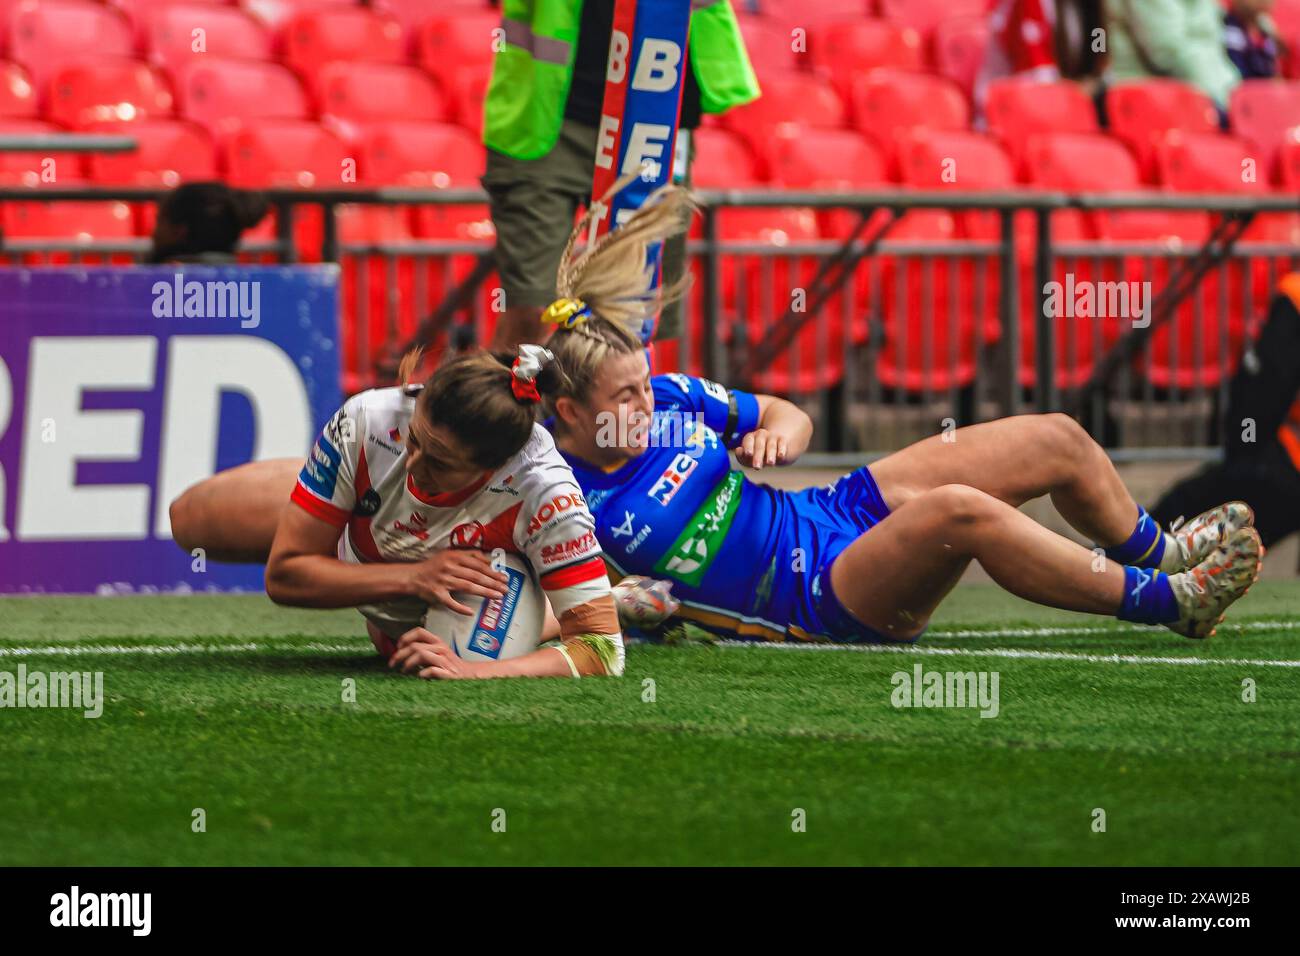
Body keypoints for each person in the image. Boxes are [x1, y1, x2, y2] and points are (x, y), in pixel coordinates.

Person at [536, 184, 1263, 644]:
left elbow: (788, 413)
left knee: (1056, 437)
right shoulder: (562, 493)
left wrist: (775, 437)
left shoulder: (671, 397)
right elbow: (556, 598)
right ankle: (1170, 603)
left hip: (829, 511)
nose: (646, 400)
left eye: (644, 383)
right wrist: (635, 609)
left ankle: (1165, 554)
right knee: (957, 512)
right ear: (569, 410)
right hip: (812, 599)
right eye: (624, 395)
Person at [172, 347, 625, 680]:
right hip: (356, 536)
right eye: (414, 439)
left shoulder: (546, 494)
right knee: (187, 520)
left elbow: (602, 651)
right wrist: (414, 576)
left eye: (439, 461)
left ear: (493, 469)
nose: (413, 466)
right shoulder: (367, 420)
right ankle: (327, 492)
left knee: (417, 644)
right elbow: (284, 577)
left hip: (436, 615)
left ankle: (584, 601)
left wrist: (476, 673)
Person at [482, 0, 759, 350]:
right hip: (546, 119)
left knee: (637, 316)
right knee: (536, 313)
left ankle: (617, 405)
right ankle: (504, 404)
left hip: (655, 114)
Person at [1152, 273, 1300, 547]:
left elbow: (1262, 394)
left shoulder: (1296, 297)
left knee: (1180, 516)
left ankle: (1110, 563)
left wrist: (1245, 452)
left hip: (1285, 467)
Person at [1103, 0, 1241, 116]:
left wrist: (1237, 99)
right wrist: (1227, 103)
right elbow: (1170, 52)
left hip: (1191, 95)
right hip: (1140, 100)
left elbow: (1212, 47)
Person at [146, 181, 268, 264]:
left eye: (160, 221)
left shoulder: (151, 288)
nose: (154, 233)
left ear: (180, 231)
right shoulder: (253, 290)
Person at [1224, 0, 1284, 81]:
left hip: (1266, 88)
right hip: (1244, 86)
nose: (1263, 2)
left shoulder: (1266, 30)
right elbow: (1236, 71)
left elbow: (1272, 67)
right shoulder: (1231, 28)